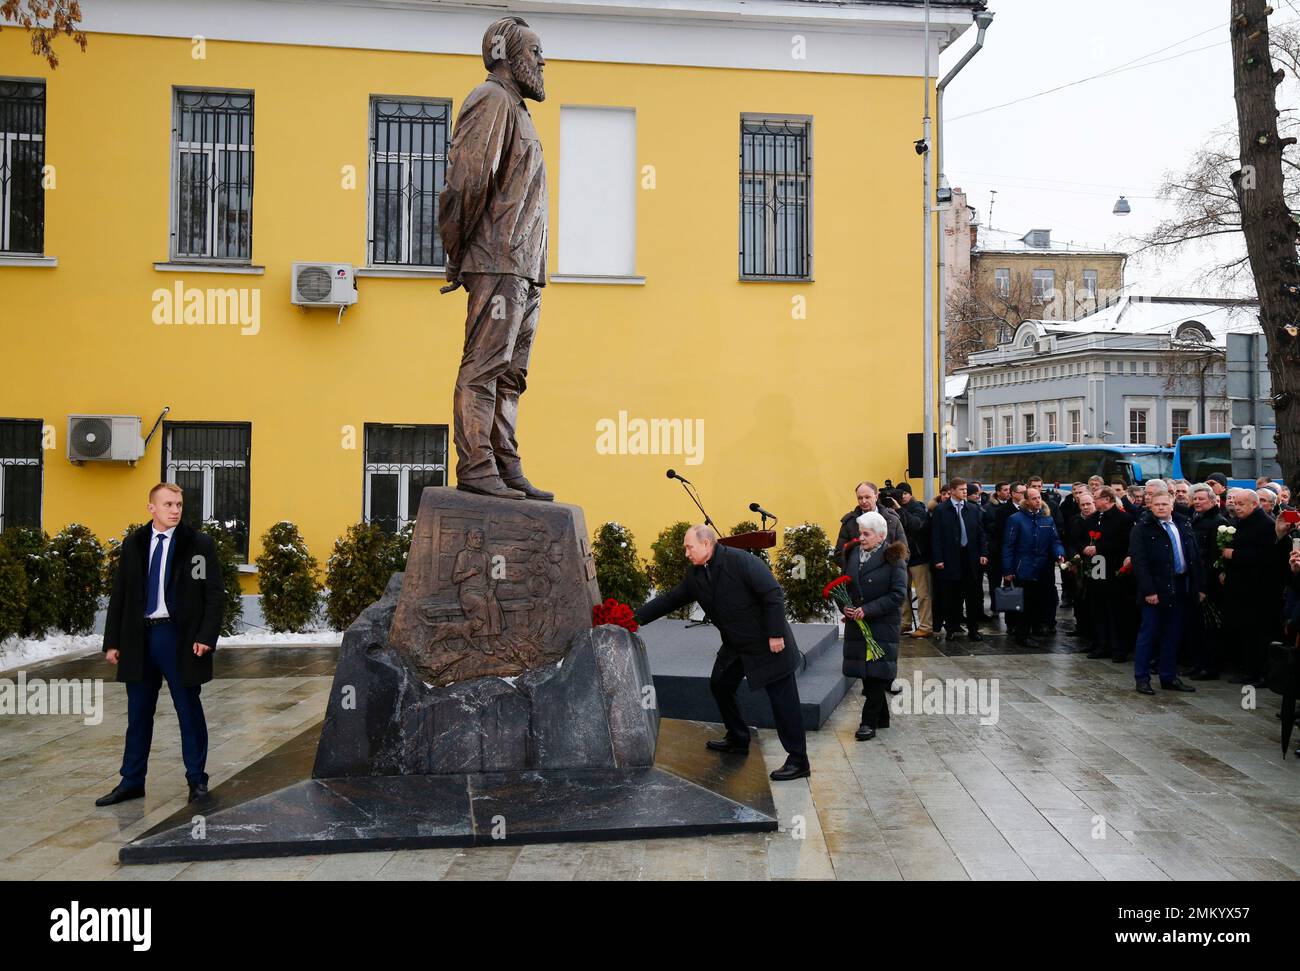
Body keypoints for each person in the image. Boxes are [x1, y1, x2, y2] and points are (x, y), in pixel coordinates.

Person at [438, 15, 553, 500]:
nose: (543, 61)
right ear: (505, 55)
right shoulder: (491, 101)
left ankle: (505, 464)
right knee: (484, 366)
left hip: (525, 267)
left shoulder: (519, 110)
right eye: (534, 52)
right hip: (496, 260)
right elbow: (467, 181)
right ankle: (477, 466)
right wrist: (457, 248)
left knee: (511, 374)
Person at [634, 524, 810, 781]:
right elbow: (671, 599)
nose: (686, 553)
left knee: (784, 703)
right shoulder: (696, 573)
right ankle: (738, 737)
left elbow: (773, 594)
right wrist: (632, 618)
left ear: (707, 544)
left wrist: (775, 634)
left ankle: (798, 760)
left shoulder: (741, 561)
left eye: (689, 547)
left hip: (768, 644)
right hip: (736, 644)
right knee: (720, 684)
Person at [96, 483, 224, 807]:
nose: (175, 510)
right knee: (138, 713)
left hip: (178, 639)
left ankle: (197, 781)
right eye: (168, 504)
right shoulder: (135, 544)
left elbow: (213, 594)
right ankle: (131, 781)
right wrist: (112, 641)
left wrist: (206, 637)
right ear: (151, 508)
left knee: (188, 710)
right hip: (140, 638)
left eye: (179, 504)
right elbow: (121, 595)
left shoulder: (198, 545)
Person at [837, 512, 908, 741]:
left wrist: (868, 609)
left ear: (880, 536)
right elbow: (844, 584)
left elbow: (898, 595)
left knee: (876, 673)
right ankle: (882, 716)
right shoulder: (853, 554)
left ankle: (868, 722)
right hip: (857, 624)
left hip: (881, 625)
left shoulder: (893, 558)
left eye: (866, 534)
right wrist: (844, 606)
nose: (861, 538)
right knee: (867, 673)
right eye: (860, 533)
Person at [1128, 491, 1203, 695]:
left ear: (1172, 505)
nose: (1161, 507)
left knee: (1173, 633)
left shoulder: (1183, 524)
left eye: (1164, 504)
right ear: (1150, 506)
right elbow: (1139, 562)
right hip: (1155, 586)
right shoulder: (1142, 528)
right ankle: (1142, 678)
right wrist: (1149, 590)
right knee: (1149, 633)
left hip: (1180, 584)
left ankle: (1168, 676)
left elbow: (1194, 556)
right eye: (1156, 504)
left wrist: (1199, 587)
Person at [1222, 488, 1282, 686]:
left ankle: (1259, 673)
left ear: (1253, 505)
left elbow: (1266, 557)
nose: (1236, 508)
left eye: (1241, 504)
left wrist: (1235, 555)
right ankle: (1248, 670)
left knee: (1258, 634)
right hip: (1243, 588)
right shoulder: (1244, 522)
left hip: (1258, 591)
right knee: (1246, 632)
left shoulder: (1265, 525)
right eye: (1235, 504)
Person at [1001, 486, 1066, 648]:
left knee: (1039, 600)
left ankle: (1036, 629)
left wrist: (1059, 554)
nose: (1038, 501)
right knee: (1024, 602)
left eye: (1039, 497)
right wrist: (1008, 570)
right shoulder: (1016, 519)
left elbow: (1055, 541)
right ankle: (1021, 634)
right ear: (1027, 501)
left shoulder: (1047, 519)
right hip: (1024, 567)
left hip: (1043, 567)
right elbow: (1008, 546)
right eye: (1034, 498)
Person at [930, 477, 988, 641]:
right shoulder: (941, 510)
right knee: (951, 596)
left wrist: (983, 553)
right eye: (961, 489)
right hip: (950, 559)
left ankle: (973, 629)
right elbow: (936, 537)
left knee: (973, 596)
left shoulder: (973, 508)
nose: (965, 492)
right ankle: (951, 628)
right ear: (953, 491)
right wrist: (938, 559)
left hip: (970, 558)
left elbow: (980, 533)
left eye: (965, 490)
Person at [1187, 483, 1228, 681]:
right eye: (1195, 499)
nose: (1197, 502)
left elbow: (1213, 557)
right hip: (1193, 577)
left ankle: (1209, 666)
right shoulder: (1194, 519)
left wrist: (1204, 587)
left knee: (1208, 627)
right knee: (1195, 626)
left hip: (1207, 582)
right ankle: (1197, 663)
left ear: (1213, 501)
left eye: (1201, 499)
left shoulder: (1217, 522)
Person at [1091, 487, 1135, 662]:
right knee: (1098, 607)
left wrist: (1099, 548)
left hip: (1115, 569)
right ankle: (1101, 644)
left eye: (1096, 498)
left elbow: (1123, 543)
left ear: (1107, 499)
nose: (1094, 501)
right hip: (1097, 568)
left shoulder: (1124, 519)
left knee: (1115, 611)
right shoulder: (1094, 518)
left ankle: (1118, 648)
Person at [835, 481, 905, 568]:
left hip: (886, 577)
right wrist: (856, 568)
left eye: (867, 497)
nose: (863, 501)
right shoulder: (850, 522)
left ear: (876, 496)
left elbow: (904, 552)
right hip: (858, 578)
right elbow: (839, 555)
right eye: (860, 498)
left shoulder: (892, 519)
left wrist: (890, 570)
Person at [895, 482, 933, 638]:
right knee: (903, 593)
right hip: (902, 557)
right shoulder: (894, 507)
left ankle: (925, 626)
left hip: (918, 557)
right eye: (900, 493)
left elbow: (915, 524)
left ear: (910, 494)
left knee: (923, 593)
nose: (902, 496)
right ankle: (905, 623)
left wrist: (899, 509)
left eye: (905, 493)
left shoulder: (918, 507)